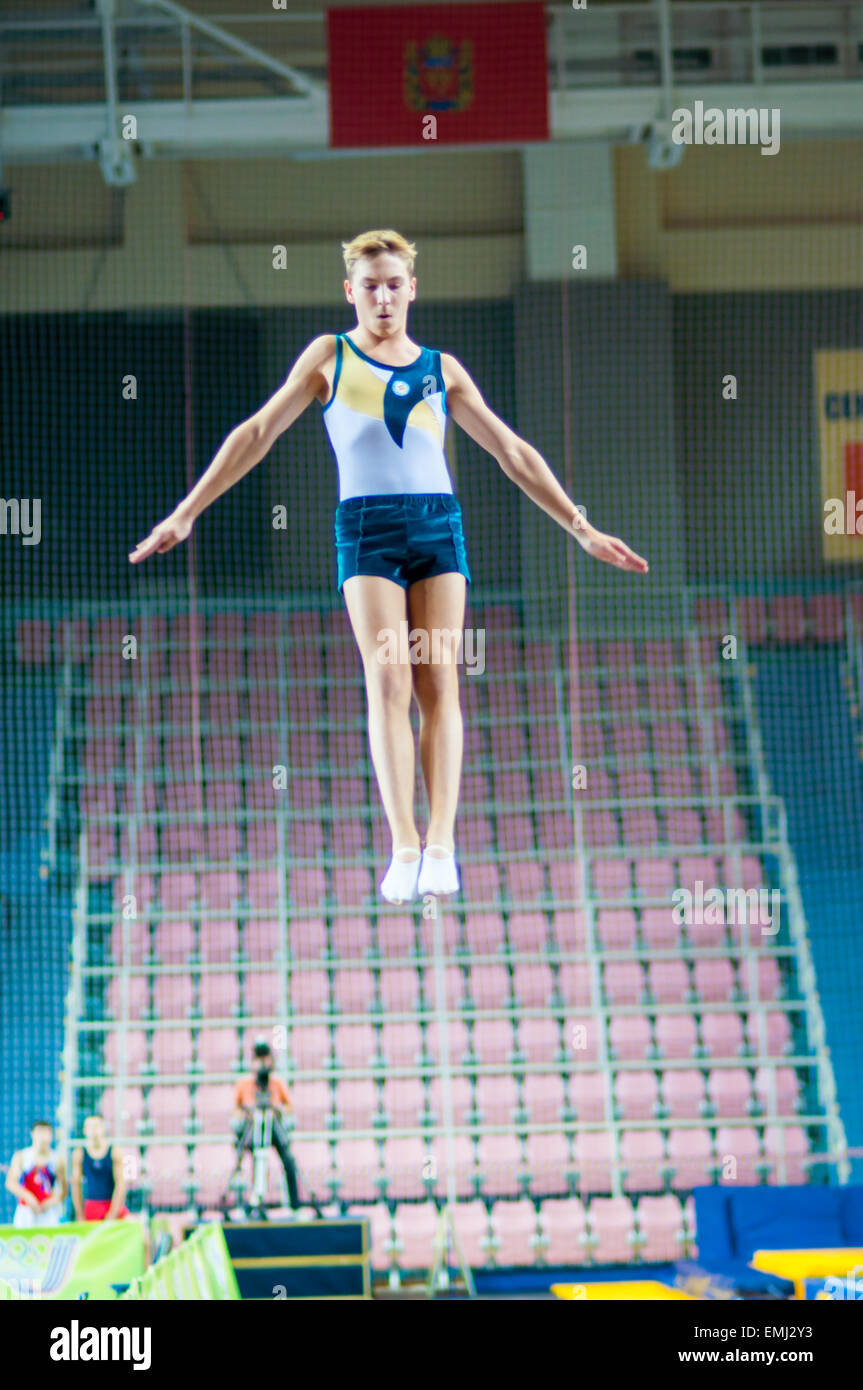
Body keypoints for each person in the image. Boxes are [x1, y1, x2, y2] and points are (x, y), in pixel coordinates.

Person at [129, 228, 648, 904]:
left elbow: (511, 452)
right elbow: (256, 433)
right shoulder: (329, 357)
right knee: (389, 680)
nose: (381, 297)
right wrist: (187, 511)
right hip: (366, 530)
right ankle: (403, 844)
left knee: (439, 682)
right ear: (350, 292)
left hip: (437, 528)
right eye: (368, 285)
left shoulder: (442, 368)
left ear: (411, 290)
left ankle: (441, 844)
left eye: (393, 284)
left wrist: (579, 528)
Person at [232, 1041, 302, 1215]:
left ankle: (295, 1203)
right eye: (258, 1058)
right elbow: (236, 1111)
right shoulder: (243, 1084)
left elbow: (289, 1107)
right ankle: (258, 1203)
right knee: (259, 1162)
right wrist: (249, 1110)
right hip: (255, 1127)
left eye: (265, 1058)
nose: (262, 1063)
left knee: (288, 1160)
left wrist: (277, 1107)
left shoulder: (277, 1083)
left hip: (273, 1126)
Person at [5, 1120, 68, 1228]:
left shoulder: (57, 1160)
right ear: (32, 1134)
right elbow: (11, 1183)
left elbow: (64, 1190)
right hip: (26, 1210)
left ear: (51, 1136)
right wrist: (28, 1197)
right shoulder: (21, 1156)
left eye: (46, 1133)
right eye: (39, 1132)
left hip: (48, 1212)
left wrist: (50, 1202)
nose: (42, 1137)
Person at [70, 1115, 129, 1222]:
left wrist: (113, 1213)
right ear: (84, 1130)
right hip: (92, 1205)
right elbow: (76, 1185)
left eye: (97, 1126)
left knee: (137, 1227)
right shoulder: (79, 1154)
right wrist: (79, 1214)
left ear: (104, 1129)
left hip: (112, 1205)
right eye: (90, 1127)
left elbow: (121, 1184)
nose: (94, 1131)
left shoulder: (115, 1152)